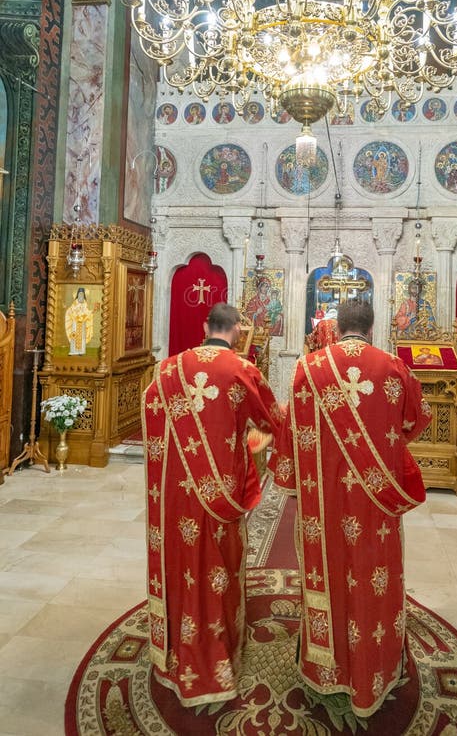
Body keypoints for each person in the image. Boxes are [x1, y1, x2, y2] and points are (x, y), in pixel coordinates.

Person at [270, 300, 431, 718]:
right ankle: (373, 668)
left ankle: (326, 667)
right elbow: (418, 420)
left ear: (337, 328)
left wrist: (289, 475)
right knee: (372, 574)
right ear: (372, 327)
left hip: (323, 501)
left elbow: (291, 432)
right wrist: (385, 449)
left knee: (332, 570)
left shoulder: (308, 369)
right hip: (375, 503)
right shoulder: (395, 368)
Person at [142, 303, 283, 707]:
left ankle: (177, 654)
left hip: (177, 493)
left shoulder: (166, 371)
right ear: (238, 331)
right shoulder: (243, 370)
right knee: (218, 564)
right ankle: (215, 654)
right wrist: (255, 443)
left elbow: (157, 421)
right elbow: (273, 421)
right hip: (221, 492)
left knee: (184, 564)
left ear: (205, 326)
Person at [65, 287, 94, 355]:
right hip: (75, 324)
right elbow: (71, 310)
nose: (81, 296)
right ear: (77, 295)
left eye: (82, 295)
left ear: (84, 295)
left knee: (82, 337)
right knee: (74, 336)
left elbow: (87, 312)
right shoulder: (74, 303)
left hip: (82, 324)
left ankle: (81, 351)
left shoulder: (85, 304)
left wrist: (92, 311)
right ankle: (73, 351)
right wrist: (75, 314)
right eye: (80, 294)